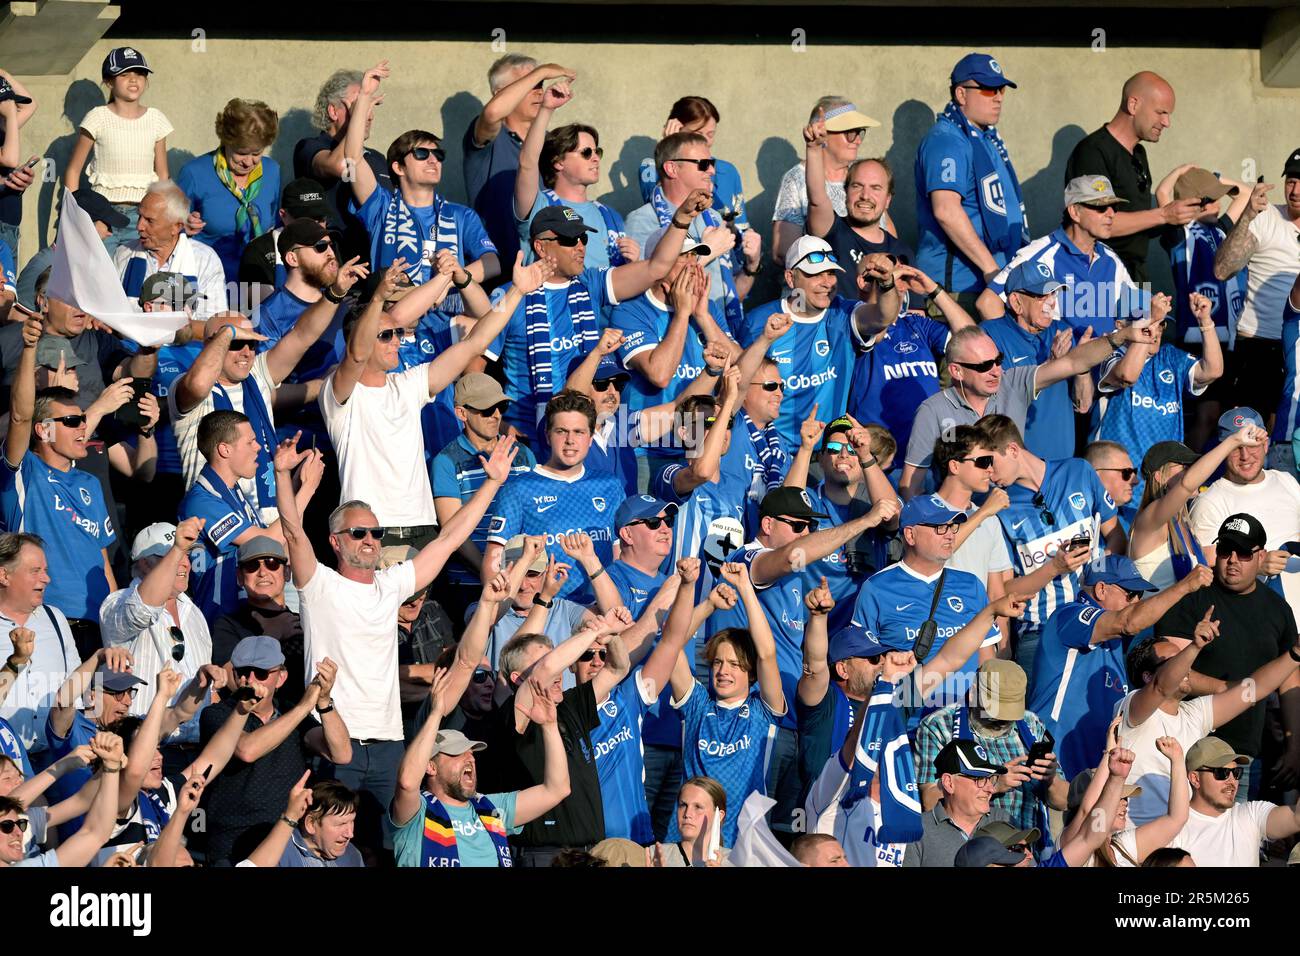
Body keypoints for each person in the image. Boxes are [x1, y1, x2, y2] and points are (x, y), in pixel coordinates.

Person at [276, 429, 518, 859]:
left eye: (376, 533)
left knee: (391, 854)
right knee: (329, 854)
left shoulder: (391, 586)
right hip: (337, 741)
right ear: (335, 542)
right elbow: (294, 534)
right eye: (358, 534)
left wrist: (493, 483)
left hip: (390, 745)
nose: (371, 540)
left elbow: (446, 540)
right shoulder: (319, 584)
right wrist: (285, 477)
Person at [324, 255, 549, 549]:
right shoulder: (340, 393)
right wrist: (378, 298)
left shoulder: (407, 384)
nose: (398, 341)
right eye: (387, 335)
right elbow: (356, 355)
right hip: (373, 531)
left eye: (398, 333)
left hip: (423, 529)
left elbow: (474, 343)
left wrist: (516, 292)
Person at [486, 191, 711, 444]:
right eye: (570, 239)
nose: (581, 245)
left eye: (582, 237)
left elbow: (656, 268)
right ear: (540, 246)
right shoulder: (510, 295)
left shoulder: (590, 283)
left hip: (584, 430)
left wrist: (681, 218)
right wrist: (499, 423)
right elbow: (477, 365)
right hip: (528, 434)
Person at [170, 272, 360, 521]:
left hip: (271, 521)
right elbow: (197, 383)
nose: (247, 352)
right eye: (237, 343)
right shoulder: (186, 387)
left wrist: (334, 294)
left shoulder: (257, 374)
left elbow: (302, 336)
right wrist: (227, 333)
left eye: (252, 344)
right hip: (215, 522)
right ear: (210, 344)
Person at [900, 322, 1155, 499]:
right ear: (956, 371)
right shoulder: (932, 411)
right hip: (963, 520)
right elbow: (911, 484)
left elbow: (1074, 361)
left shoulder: (1012, 382)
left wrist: (1118, 338)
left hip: (1015, 507)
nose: (996, 370)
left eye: (998, 360)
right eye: (984, 366)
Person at [637, 564, 784, 846]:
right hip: (685, 839)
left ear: (751, 673)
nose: (723, 671)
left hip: (742, 843)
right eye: (717, 662)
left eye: (734, 664)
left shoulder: (762, 711)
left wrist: (745, 589)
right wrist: (707, 605)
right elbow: (672, 643)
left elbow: (766, 654)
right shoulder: (698, 706)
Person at [1155, 513, 1300, 797]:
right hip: (1189, 750)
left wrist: (1295, 745)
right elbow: (1168, 672)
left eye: (1244, 552)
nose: (1233, 559)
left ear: (1261, 557)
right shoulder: (1192, 596)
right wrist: (1230, 692)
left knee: (1239, 839)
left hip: (1245, 754)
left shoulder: (1277, 608)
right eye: (1225, 550)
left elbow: (1290, 677)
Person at [1029, 556, 1212, 780]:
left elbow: (1175, 671)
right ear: (1101, 589)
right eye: (1130, 594)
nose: (1136, 602)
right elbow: (1129, 622)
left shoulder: (1117, 642)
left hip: (1092, 775)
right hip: (1052, 768)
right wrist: (1185, 586)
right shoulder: (1070, 616)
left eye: (1140, 596)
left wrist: (1226, 686)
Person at [1121, 607, 1300, 826]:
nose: (1186, 666)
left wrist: (1295, 654)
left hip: (1179, 844)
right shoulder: (1131, 706)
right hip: (1135, 839)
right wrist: (1195, 646)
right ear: (1147, 676)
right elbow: (1160, 687)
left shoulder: (1194, 714)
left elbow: (1255, 689)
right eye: (1175, 661)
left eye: (1184, 659)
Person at [975, 414, 1125, 677]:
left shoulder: (1078, 471)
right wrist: (1054, 567)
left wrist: (1099, 571)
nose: (987, 473)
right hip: (1041, 632)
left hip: (1097, 620)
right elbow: (1005, 589)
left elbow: (1116, 536)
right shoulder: (1000, 509)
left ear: (1012, 450)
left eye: (990, 462)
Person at [344, 64, 501, 313]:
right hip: (392, 323)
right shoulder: (381, 207)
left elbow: (492, 263)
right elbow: (351, 158)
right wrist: (363, 97)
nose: (433, 160)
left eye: (438, 154)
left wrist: (451, 277)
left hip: (445, 322)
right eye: (421, 153)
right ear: (398, 167)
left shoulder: (460, 215)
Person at [2, 315, 116, 643]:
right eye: (71, 420)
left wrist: (114, 625)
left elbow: (104, 563)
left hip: (96, 627)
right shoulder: (24, 472)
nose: (83, 426)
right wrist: (27, 349)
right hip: (45, 621)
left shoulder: (89, 484)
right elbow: (22, 414)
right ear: (43, 430)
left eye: (82, 418)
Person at [199, 636, 351, 865]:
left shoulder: (292, 714)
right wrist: (303, 707)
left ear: (281, 678)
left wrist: (323, 701)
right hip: (232, 845)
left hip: (287, 842)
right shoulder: (218, 714)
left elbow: (341, 754)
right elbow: (246, 749)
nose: (250, 680)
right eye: (242, 671)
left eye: (260, 673)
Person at [178, 410, 324, 619]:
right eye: (251, 442)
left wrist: (287, 477)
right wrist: (308, 489)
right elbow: (267, 542)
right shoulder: (202, 501)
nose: (258, 448)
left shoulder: (232, 491)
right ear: (225, 450)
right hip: (223, 620)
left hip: (249, 614)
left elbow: (281, 540)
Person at [483, 390, 626, 602]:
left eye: (579, 432)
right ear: (548, 435)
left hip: (598, 612)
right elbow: (493, 564)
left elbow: (620, 559)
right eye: (561, 431)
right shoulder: (519, 488)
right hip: (542, 613)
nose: (570, 440)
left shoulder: (610, 486)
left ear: (590, 438)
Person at [916, 659, 1066, 858]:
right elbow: (930, 800)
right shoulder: (939, 726)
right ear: (974, 693)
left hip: (1028, 851)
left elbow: (1063, 801)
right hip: (969, 853)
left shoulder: (1031, 724)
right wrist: (993, 784)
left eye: (1008, 712)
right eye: (995, 711)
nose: (1001, 720)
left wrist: (1050, 779)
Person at [1065, 72, 1199, 283]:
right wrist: (1164, 215)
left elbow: (1139, 221)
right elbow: (1095, 222)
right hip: (1098, 275)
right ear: (1133, 104)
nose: (1167, 122)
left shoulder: (1139, 154)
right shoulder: (1093, 151)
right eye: (1161, 112)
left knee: (1145, 317)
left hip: (1136, 275)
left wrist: (1182, 214)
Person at [914, 53, 1027, 306]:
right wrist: (991, 270)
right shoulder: (947, 140)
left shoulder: (986, 140)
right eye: (987, 89)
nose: (998, 96)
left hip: (991, 283)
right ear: (961, 94)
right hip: (958, 289)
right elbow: (946, 211)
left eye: (1000, 89)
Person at [625, 133, 760, 336]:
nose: (712, 170)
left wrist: (752, 266)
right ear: (672, 168)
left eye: (712, 163)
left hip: (719, 337)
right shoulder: (643, 219)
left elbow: (731, 297)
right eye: (704, 164)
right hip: (675, 338)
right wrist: (707, 253)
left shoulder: (713, 217)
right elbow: (646, 288)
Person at [431, 373, 539, 622]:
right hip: (469, 583)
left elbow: (536, 514)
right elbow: (453, 532)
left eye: (501, 406)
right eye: (486, 409)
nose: (496, 415)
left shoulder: (522, 453)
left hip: (524, 579)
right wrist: (488, 572)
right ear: (461, 413)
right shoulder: (446, 461)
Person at [1094, 293, 1223, 501]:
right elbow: (1127, 375)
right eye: (1146, 322)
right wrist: (1150, 321)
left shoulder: (1170, 357)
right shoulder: (1109, 353)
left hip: (1164, 486)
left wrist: (1205, 322)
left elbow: (1213, 371)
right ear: (1120, 325)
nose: (1154, 332)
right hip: (1119, 487)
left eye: (1160, 324)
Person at [1155, 167, 1250, 450]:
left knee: (1223, 414)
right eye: (1210, 199)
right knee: (1205, 415)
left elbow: (1243, 194)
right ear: (1193, 203)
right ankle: (1186, 475)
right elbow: (1162, 193)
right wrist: (1181, 172)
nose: (1218, 204)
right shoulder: (1178, 233)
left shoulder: (1218, 229)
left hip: (1225, 337)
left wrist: (1219, 182)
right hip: (1196, 335)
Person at [785, 414, 899, 627]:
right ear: (821, 458)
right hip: (805, 623)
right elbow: (784, 514)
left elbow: (891, 514)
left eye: (853, 449)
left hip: (859, 633)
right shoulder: (809, 500)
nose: (844, 455)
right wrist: (806, 448)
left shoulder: (873, 501)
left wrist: (866, 454)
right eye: (834, 449)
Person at [98, 519, 211, 732]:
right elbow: (142, 610)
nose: (184, 562)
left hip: (196, 747)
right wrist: (177, 548)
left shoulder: (195, 613)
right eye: (171, 555)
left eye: (187, 554)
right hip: (144, 744)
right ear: (143, 564)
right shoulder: (117, 602)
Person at [1213, 158, 1300, 430]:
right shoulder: (1267, 218)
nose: (1295, 190)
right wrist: (1247, 216)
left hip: (1298, 349)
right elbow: (1222, 270)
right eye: (1291, 182)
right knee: (1248, 434)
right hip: (1261, 345)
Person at [463, 56, 577, 264]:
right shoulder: (490, 138)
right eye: (529, 83)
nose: (539, 90)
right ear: (500, 94)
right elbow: (492, 112)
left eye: (540, 84)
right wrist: (542, 71)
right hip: (496, 270)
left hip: (547, 268)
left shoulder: (551, 143)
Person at [1188, 407, 1300, 613]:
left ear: (1265, 445)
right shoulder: (1209, 501)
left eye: (1252, 445)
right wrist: (1257, 567)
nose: (1245, 455)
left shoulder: (1286, 481)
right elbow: (1207, 573)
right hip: (1259, 616)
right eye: (1236, 447)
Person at [513, 79, 633, 270]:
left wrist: (634, 264)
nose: (595, 158)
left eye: (597, 152)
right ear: (558, 162)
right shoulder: (540, 206)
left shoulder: (610, 215)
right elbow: (527, 163)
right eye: (586, 152)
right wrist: (546, 109)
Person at [1129, 425, 1267, 591]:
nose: (1193, 471)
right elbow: (1186, 484)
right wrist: (1234, 440)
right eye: (1185, 467)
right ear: (1159, 476)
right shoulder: (1150, 517)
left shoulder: (1183, 523)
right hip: (1158, 616)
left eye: (1193, 465)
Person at [63, 47, 172, 242]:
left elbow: (162, 174)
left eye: (139, 73)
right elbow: (73, 171)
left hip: (143, 214)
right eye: (124, 74)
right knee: (100, 272)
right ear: (108, 81)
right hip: (101, 215)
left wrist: (160, 215)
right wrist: (79, 217)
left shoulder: (156, 119)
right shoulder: (97, 117)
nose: (133, 79)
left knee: (136, 271)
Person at [176, 98, 282, 284]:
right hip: (210, 280)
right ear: (226, 140)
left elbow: (274, 223)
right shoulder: (194, 173)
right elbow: (171, 229)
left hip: (259, 280)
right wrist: (183, 226)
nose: (248, 162)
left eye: (257, 153)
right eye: (242, 152)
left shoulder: (272, 171)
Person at [804, 119, 911, 301]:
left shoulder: (902, 252)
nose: (865, 195)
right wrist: (814, 149)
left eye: (875, 188)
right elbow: (817, 199)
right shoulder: (832, 232)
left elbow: (915, 312)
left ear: (887, 200)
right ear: (845, 192)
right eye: (857, 186)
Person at [772, 96, 880, 264]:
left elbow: (889, 237)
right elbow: (783, 252)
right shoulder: (795, 179)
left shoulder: (862, 176)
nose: (858, 140)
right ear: (822, 134)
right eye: (851, 133)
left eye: (860, 132)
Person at [1165, 735, 1300, 866]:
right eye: (1222, 773)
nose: (1232, 781)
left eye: (1236, 773)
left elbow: (1296, 818)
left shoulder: (1251, 813)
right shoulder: (1174, 830)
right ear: (1195, 778)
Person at [0, 534, 77, 763]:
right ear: (4, 575)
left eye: (45, 570)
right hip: (7, 764)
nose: (47, 579)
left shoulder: (56, 618)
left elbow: (75, 686)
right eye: (35, 571)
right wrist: (15, 661)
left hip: (58, 757)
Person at [1059, 731, 1188, 867]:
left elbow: (1177, 819)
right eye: (1115, 797)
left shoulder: (1122, 847)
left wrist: (1177, 759)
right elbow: (1087, 811)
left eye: (1125, 797)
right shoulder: (1072, 846)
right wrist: (1109, 756)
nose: (1124, 803)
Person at [0, 731, 125, 868]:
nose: (18, 832)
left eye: (21, 824)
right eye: (7, 778)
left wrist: (110, 765)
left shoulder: (23, 820)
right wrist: (63, 765)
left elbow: (82, 802)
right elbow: (15, 799)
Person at [209, 535, 303, 710]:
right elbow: (233, 681)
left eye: (272, 563)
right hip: (253, 724)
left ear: (287, 572)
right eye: (252, 566)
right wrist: (272, 636)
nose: (262, 572)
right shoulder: (228, 624)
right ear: (240, 576)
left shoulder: (303, 622)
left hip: (303, 723)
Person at [112, 180, 228, 317]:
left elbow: (213, 321)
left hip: (187, 339)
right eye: (139, 216)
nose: (139, 227)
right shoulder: (124, 253)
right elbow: (109, 310)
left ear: (176, 227)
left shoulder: (204, 260)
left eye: (149, 221)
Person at [637, 96, 749, 233]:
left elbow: (741, 226)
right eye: (697, 134)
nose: (706, 141)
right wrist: (672, 147)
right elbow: (660, 206)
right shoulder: (651, 168)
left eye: (711, 134)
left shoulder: (727, 171)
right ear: (677, 129)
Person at [903, 738, 1010, 867]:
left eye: (991, 779)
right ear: (949, 783)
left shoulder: (1004, 819)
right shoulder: (916, 831)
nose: (991, 789)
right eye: (979, 779)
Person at [238, 178, 333, 302]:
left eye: (320, 219)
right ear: (283, 215)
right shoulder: (257, 251)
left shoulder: (333, 244)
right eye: (305, 221)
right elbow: (265, 308)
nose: (314, 228)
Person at [239, 777, 363, 868]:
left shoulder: (352, 855)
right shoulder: (278, 853)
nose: (350, 834)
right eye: (341, 824)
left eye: (351, 822)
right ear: (310, 823)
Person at [659, 776, 730, 866]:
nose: (687, 814)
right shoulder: (654, 855)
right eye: (683, 805)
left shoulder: (737, 862)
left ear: (719, 816)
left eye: (698, 807)